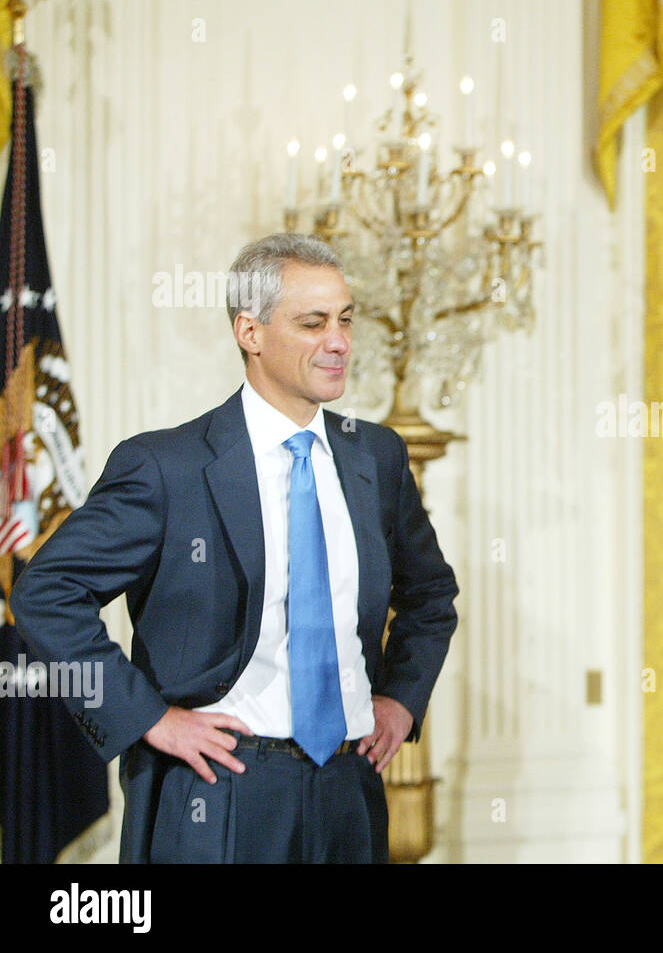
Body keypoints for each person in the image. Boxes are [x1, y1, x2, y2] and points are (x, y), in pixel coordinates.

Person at [11, 233, 458, 863]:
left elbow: (432, 595)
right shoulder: (167, 467)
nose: (339, 342)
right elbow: (45, 592)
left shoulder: (376, 457)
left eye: (345, 320)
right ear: (250, 332)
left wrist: (402, 701)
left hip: (349, 791)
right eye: (313, 323)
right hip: (221, 792)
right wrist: (146, 718)